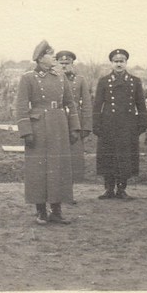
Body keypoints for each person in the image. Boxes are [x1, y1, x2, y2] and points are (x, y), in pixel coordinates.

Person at [15, 40, 81, 225]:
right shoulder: (28, 78)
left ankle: (57, 210)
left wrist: (74, 127)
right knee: (39, 169)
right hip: (39, 127)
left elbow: (70, 103)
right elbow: (21, 106)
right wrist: (26, 131)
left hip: (59, 125)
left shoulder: (61, 77)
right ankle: (41, 211)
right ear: (40, 58)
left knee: (58, 167)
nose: (54, 57)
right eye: (50, 54)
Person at [92, 49, 147, 200]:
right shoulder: (104, 81)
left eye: (121, 61)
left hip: (127, 124)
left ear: (126, 63)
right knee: (108, 156)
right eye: (116, 61)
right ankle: (109, 188)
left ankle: (122, 188)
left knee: (125, 157)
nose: (119, 64)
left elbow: (141, 103)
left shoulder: (135, 81)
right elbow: (97, 104)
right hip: (108, 123)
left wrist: (142, 122)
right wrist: (96, 124)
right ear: (111, 63)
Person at [56, 50, 93, 200]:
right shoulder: (53, 79)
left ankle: (69, 193)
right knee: (57, 157)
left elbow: (87, 104)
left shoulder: (80, 80)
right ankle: (57, 194)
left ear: (72, 64)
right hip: (57, 122)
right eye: (61, 63)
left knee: (73, 158)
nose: (64, 66)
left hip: (74, 122)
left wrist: (86, 126)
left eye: (67, 63)